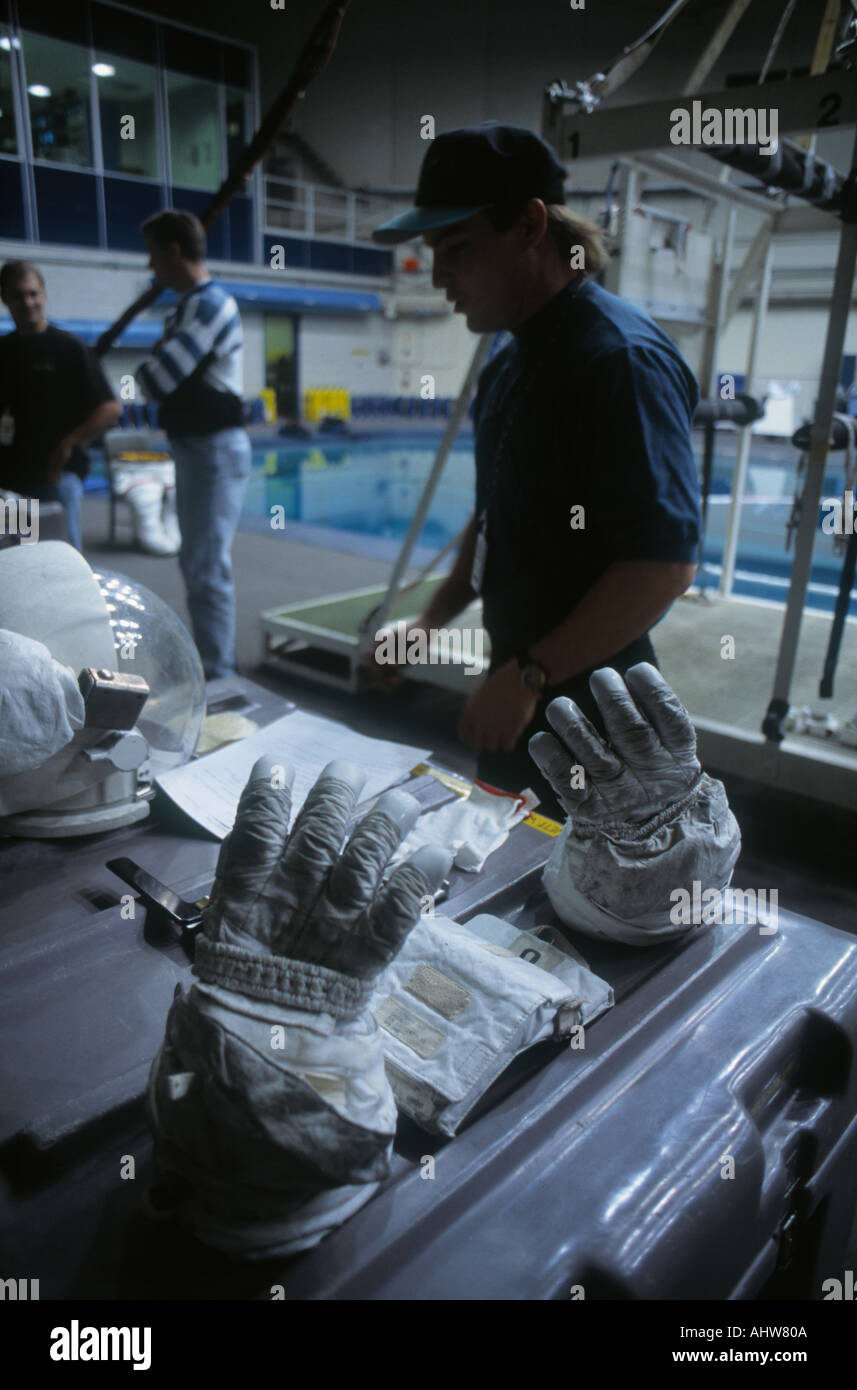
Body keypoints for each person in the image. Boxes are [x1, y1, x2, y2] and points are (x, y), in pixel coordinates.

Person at [369, 125, 701, 819]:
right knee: (506, 880)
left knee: (602, 897)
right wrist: (431, 619)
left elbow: (662, 563)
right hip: (519, 694)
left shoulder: (618, 361)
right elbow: (495, 513)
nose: (438, 278)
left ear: (529, 225)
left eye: (457, 250)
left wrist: (528, 675)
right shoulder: (511, 363)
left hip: (602, 714)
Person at [135, 211, 250, 679]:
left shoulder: (208, 305)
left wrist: (152, 366)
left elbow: (156, 379)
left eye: (153, 254)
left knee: (206, 567)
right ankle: (216, 664)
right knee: (198, 563)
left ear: (174, 252)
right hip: (197, 447)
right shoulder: (186, 307)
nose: (151, 266)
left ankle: (221, 674)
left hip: (212, 449)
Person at [0, 260, 120, 551]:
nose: (27, 302)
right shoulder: (3, 352)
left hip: (58, 475)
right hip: (13, 478)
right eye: (17, 295)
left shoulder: (69, 349)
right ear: (4, 298)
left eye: (33, 293)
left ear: (44, 294)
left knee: (63, 557)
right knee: (25, 553)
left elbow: (110, 408)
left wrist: (69, 443)